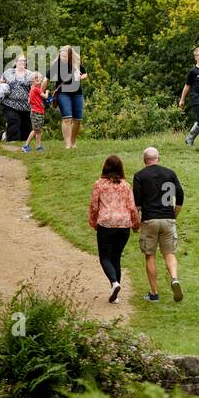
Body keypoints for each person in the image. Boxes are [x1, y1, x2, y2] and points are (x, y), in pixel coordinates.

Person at [131, 146, 184, 302]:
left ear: (144, 160)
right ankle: (174, 278)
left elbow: (137, 204)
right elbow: (180, 196)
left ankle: (154, 293)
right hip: (168, 219)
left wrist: (135, 222)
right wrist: (174, 214)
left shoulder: (140, 176)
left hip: (150, 220)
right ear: (158, 158)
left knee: (150, 256)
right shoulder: (170, 173)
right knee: (169, 253)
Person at [88, 154, 140, 303]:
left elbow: (94, 205)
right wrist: (136, 224)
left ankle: (114, 283)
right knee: (116, 257)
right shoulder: (125, 185)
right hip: (123, 225)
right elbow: (132, 206)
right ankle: (115, 294)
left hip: (106, 224)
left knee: (105, 257)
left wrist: (93, 222)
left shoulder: (99, 184)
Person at [51, 45, 88, 150]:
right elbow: (47, 77)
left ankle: (73, 142)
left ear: (70, 55)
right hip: (63, 93)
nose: (63, 57)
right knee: (67, 118)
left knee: (78, 119)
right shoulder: (57, 65)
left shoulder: (76, 63)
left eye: (65, 56)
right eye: (62, 55)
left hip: (77, 93)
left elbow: (85, 74)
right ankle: (67, 144)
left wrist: (80, 77)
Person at [0, 55, 39, 143]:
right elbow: (0, 83)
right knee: (14, 120)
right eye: (20, 61)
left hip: (26, 105)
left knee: (26, 126)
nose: (22, 62)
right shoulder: (8, 72)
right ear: (16, 62)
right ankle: (13, 142)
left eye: (24, 61)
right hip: (9, 103)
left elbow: (34, 87)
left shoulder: (30, 74)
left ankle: (24, 143)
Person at [23, 73, 50, 153]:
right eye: (39, 79)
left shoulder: (32, 89)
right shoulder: (37, 89)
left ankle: (38, 146)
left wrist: (36, 101)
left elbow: (29, 101)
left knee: (39, 130)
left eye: (41, 79)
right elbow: (45, 97)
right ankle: (26, 146)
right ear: (34, 80)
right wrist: (47, 92)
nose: (41, 80)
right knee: (35, 130)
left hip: (37, 112)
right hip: (36, 112)